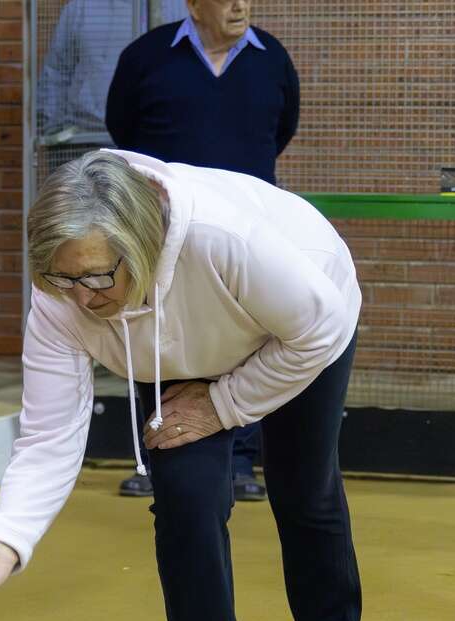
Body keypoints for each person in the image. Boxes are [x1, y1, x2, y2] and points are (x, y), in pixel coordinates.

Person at [0, 151, 368, 621]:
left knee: (302, 480)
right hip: (173, 353)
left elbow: (320, 327)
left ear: (142, 242)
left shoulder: (227, 241)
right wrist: (6, 539)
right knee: (185, 504)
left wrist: (225, 402)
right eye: (62, 279)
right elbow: (49, 433)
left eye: (96, 277)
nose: (82, 297)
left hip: (295, 328)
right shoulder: (65, 297)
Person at [105, 0, 300, 502]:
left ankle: (239, 463)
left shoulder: (272, 59)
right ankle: (156, 456)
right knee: (158, 336)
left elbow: (282, 131)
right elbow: (121, 127)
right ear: (193, 3)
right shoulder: (146, 58)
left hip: (245, 237)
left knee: (250, 337)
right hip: (161, 233)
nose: (240, 5)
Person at [35, 0, 187, 174]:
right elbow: (57, 71)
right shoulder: (82, 7)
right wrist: (53, 131)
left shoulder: (180, 7)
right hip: (85, 142)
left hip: (159, 145)